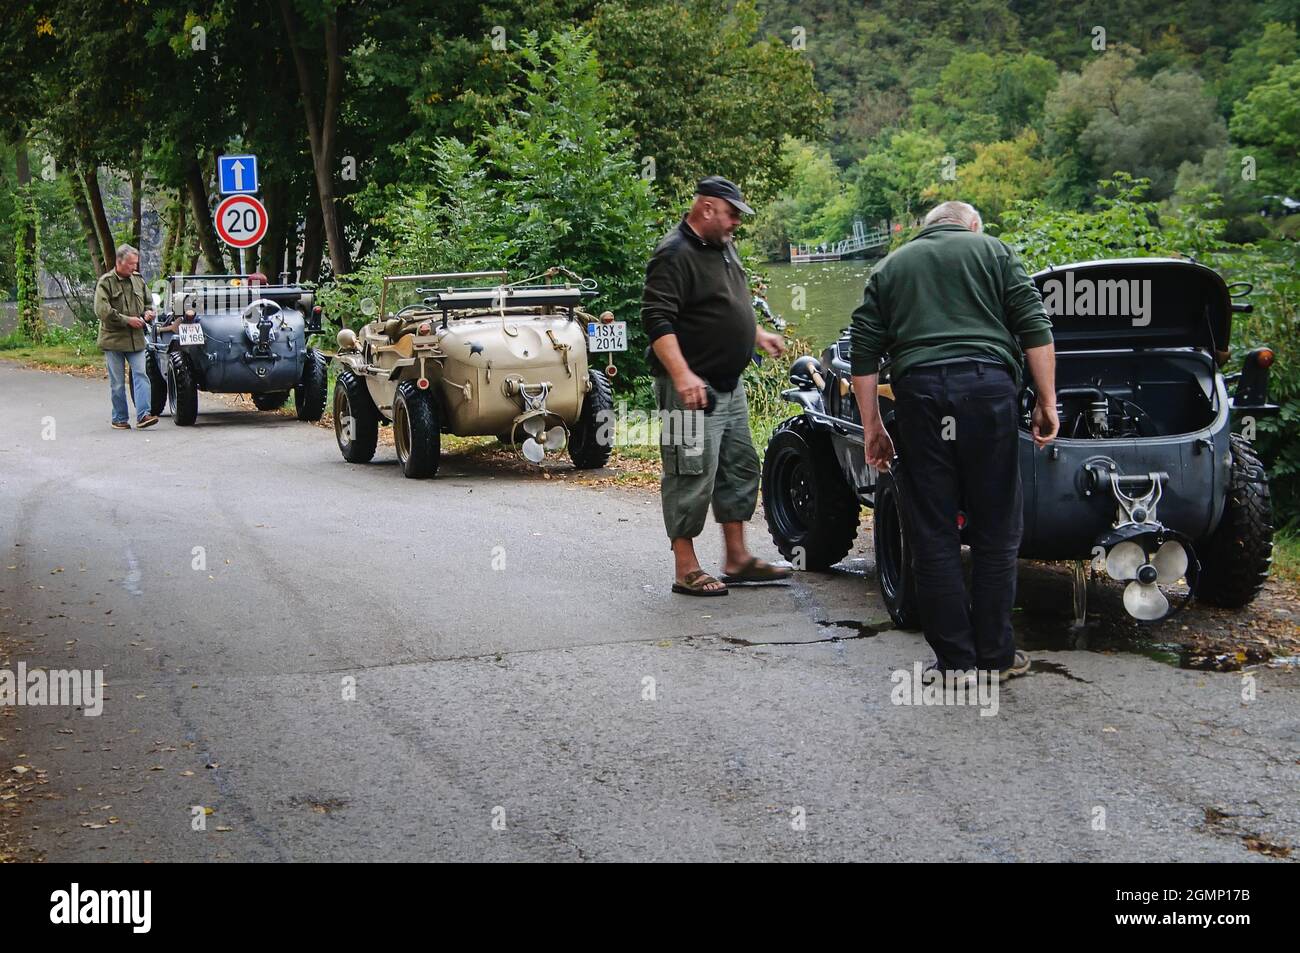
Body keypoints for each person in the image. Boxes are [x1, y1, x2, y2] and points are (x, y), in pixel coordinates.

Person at [849, 200, 1059, 681]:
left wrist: (873, 426)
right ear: (973, 225)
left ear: (926, 230)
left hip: (921, 397)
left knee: (933, 529)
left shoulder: (889, 267)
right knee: (996, 527)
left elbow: (863, 353)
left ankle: (956, 663)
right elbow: (1035, 327)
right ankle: (996, 657)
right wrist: (1047, 401)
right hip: (988, 393)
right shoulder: (995, 252)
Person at [641, 176, 790, 596]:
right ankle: (685, 568)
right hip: (688, 388)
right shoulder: (674, 254)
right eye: (731, 214)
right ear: (707, 208)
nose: (736, 223)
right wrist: (684, 374)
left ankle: (737, 558)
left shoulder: (723, 246)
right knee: (688, 471)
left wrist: (755, 333)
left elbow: (726, 302)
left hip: (729, 383)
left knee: (739, 467)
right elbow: (657, 320)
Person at [94, 244, 158, 430]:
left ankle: (143, 415)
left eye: (135, 264)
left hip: (136, 339)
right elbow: (102, 311)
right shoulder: (105, 282)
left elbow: (148, 302)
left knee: (141, 375)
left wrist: (149, 313)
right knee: (118, 383)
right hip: (113, 339)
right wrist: (127, 320)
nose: (134, 268)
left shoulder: (138, 280)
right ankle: (120, 418)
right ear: (119, 262)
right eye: (131, 264)